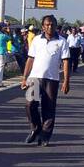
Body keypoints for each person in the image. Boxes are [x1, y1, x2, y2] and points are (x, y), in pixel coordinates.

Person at [20, 14, 70, 146]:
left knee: (49, 108)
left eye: (52, 24)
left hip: (52, 80)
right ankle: (35, 128)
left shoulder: (62, 41)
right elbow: (30, 59)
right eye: (47, 24)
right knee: (30, 104)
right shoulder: (36, 40)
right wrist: (24, 78)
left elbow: (65, 62)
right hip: (35, 79)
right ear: (43, 26)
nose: (50, 26)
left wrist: (66, 81)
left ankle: (45, 136)